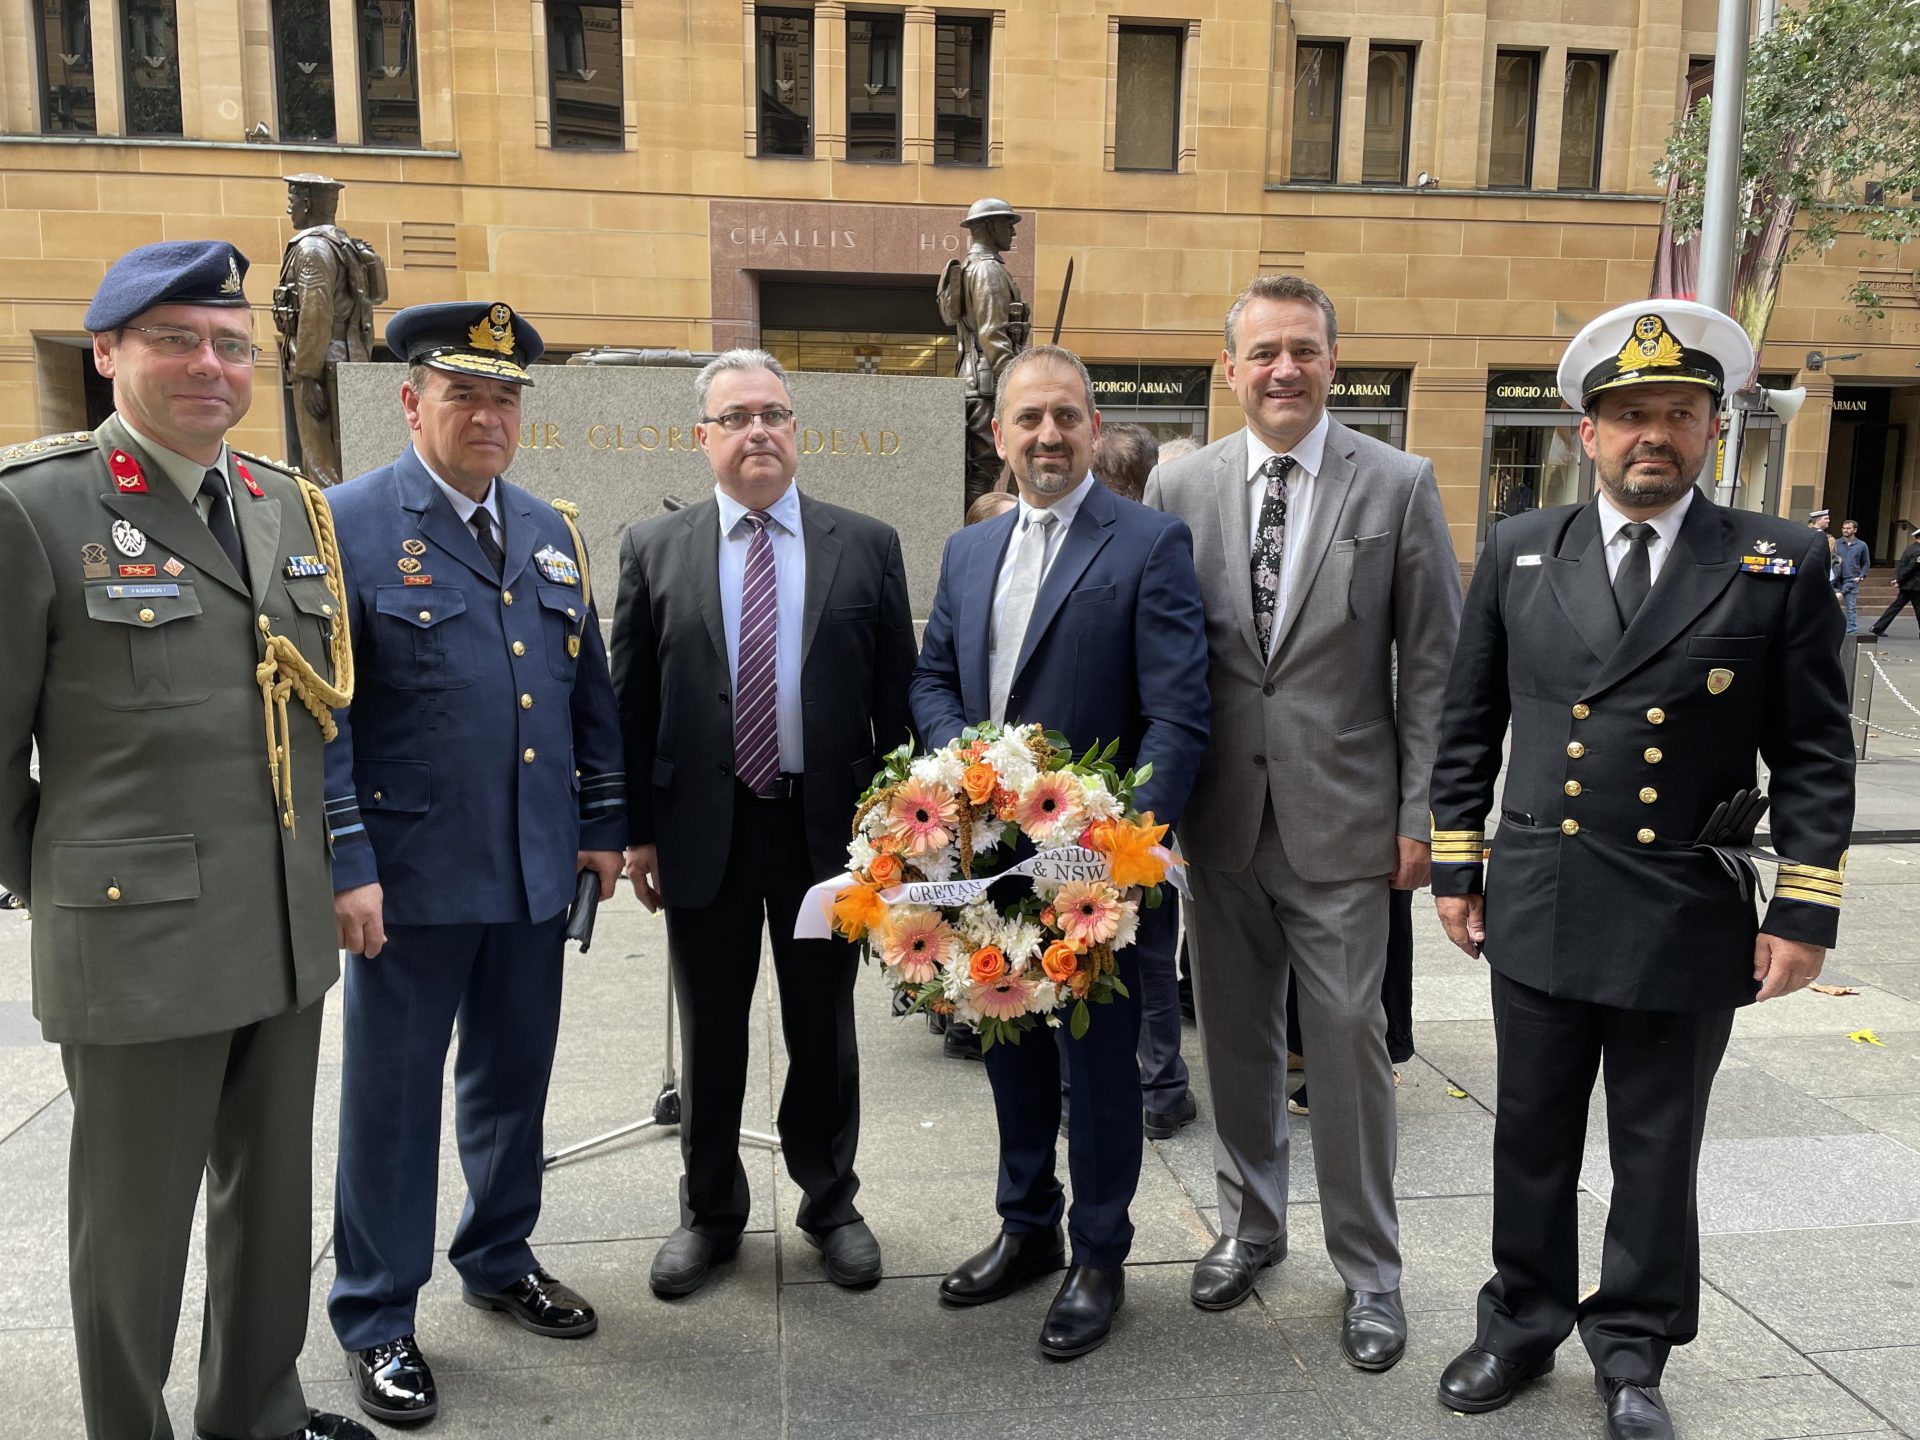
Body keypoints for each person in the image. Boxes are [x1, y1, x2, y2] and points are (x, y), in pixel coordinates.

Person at [1429, 299, 1854, 1440]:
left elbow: (1815, 747)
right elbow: (1466, 722)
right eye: (1628, 416)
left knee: (1658, 1147)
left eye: (1676, 412)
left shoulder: (1776, 560)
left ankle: (1633, 1351)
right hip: (1543, 891)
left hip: (1685, 906)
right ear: (1587, 433)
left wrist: (1804, 909)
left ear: (1714, 427)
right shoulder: (1523, 551)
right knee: (1532, 1132)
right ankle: (1519, 1323)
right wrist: (1457, 869)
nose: (1650, 434)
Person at [0, 240, 368, 1440]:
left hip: (278, 924)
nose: (209, 365)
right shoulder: (37, 506)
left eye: (228, 344)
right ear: (107, 353)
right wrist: (61, 887)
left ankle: (255, 1412)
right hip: (135, 939)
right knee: (134, 1232)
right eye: (174, 339)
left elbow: (309, 711)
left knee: (271, 1215)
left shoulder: (283, 502)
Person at [1143, 273, 1461, 1372]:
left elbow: (1432, 670)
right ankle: (1250, 1226)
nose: (1285, 369)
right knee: (1230, 1039)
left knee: (1347, 1047)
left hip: (1346, 822)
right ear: (1228, 367)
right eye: (1264, 351)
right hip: (1218, 819)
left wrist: (1425, 812)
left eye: (1305, 351)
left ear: (1335, 364)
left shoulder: (1401, 483)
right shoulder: (1182, 490)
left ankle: (1371, 1271)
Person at [320, 302, 626, 1425]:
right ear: (412, 402)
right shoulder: (348, 524)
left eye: (505, 398)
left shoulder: (550, 527)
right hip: (407, 876)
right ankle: (377, 1314)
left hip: (532, 867)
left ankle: (499, 1258)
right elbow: (325, 719)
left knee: (513, 1084)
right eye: (466, 395)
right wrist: (346, 859)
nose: (490, 416)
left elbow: (588, 693)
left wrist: (600, 825)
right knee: (392, 1104)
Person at [911, 344, 1210, 1359]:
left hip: (1092, 873)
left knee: (1100, 1069)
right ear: (998, 434)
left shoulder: (1149, 543)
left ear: (1092, 429)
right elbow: (933, 679)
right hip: (990, 863)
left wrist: (1120, 844)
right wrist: (958, 779)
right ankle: (1027, 1227)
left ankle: (1098, 1254)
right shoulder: (967, 553)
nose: (1047, 436)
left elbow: (1178, 716)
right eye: (1027, 419)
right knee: (1009, 1050)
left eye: (1066, 418)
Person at [611, 349, 917, 1297]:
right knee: (711, 1030)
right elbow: (632, 702)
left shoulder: (865, 543)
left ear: (797, 431)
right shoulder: (653, 547)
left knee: (823, 1025)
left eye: (774, 414)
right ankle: (711, 1211)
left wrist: (905, 838)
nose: (757, 431)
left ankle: (830, 1201)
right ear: (702, 437)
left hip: (827, 832)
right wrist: (636, 832)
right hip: (706, 827)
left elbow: (898, 702)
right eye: (736, 416)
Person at [1090, 420, 1194, 1137]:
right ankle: (1160, 1085)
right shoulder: (1168, 540)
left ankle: (1143, 1083)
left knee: (1114, 937)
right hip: (1154, 786)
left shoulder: (1152, 546)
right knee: (1154, 946)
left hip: (1123, 788)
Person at [271, 173, 385, 487]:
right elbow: (378, 295)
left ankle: (331, 531)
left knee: (323, 466)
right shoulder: (345, 245)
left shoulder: (312, 250)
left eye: (291, 201)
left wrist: (307, 376)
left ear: (306, 203)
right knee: (347, 460)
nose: (288, 210)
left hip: (322, 366)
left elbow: (315, 314)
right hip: (346, 359)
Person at [937, 198, 1030, 510]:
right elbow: (993, 335)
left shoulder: (971, 267)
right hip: (987, 383)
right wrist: (1018, 386)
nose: (1013, 233)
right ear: (990, 226)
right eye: (1008, 224)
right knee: (984, 470)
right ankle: (974, 537)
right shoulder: (988, 270)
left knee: (978, 470)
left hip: (976, 380)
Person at [1869, 529, 1920, 638]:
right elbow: (1911, 568)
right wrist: (1899, 579)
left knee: (1896, 607)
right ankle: (1878, 627)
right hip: (1914, 586)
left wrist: (1897, 578)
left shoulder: (1910, 549)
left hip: (1907, 585)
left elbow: (1902, 564)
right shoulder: (1918, 551)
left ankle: (1878, 627)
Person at [1834, 518, 1871, 634]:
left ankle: (1851, 630)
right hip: (1837, 578)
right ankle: (1833, 627)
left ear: (1854, 530)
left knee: (1851, 607)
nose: (1845, 530)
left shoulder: (1861, 545)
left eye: (1848, 528)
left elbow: (1866, 562)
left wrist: (1861, 576)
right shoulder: (1836, 543)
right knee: (1833, 605)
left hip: (1852, 578)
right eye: (1844, 528)